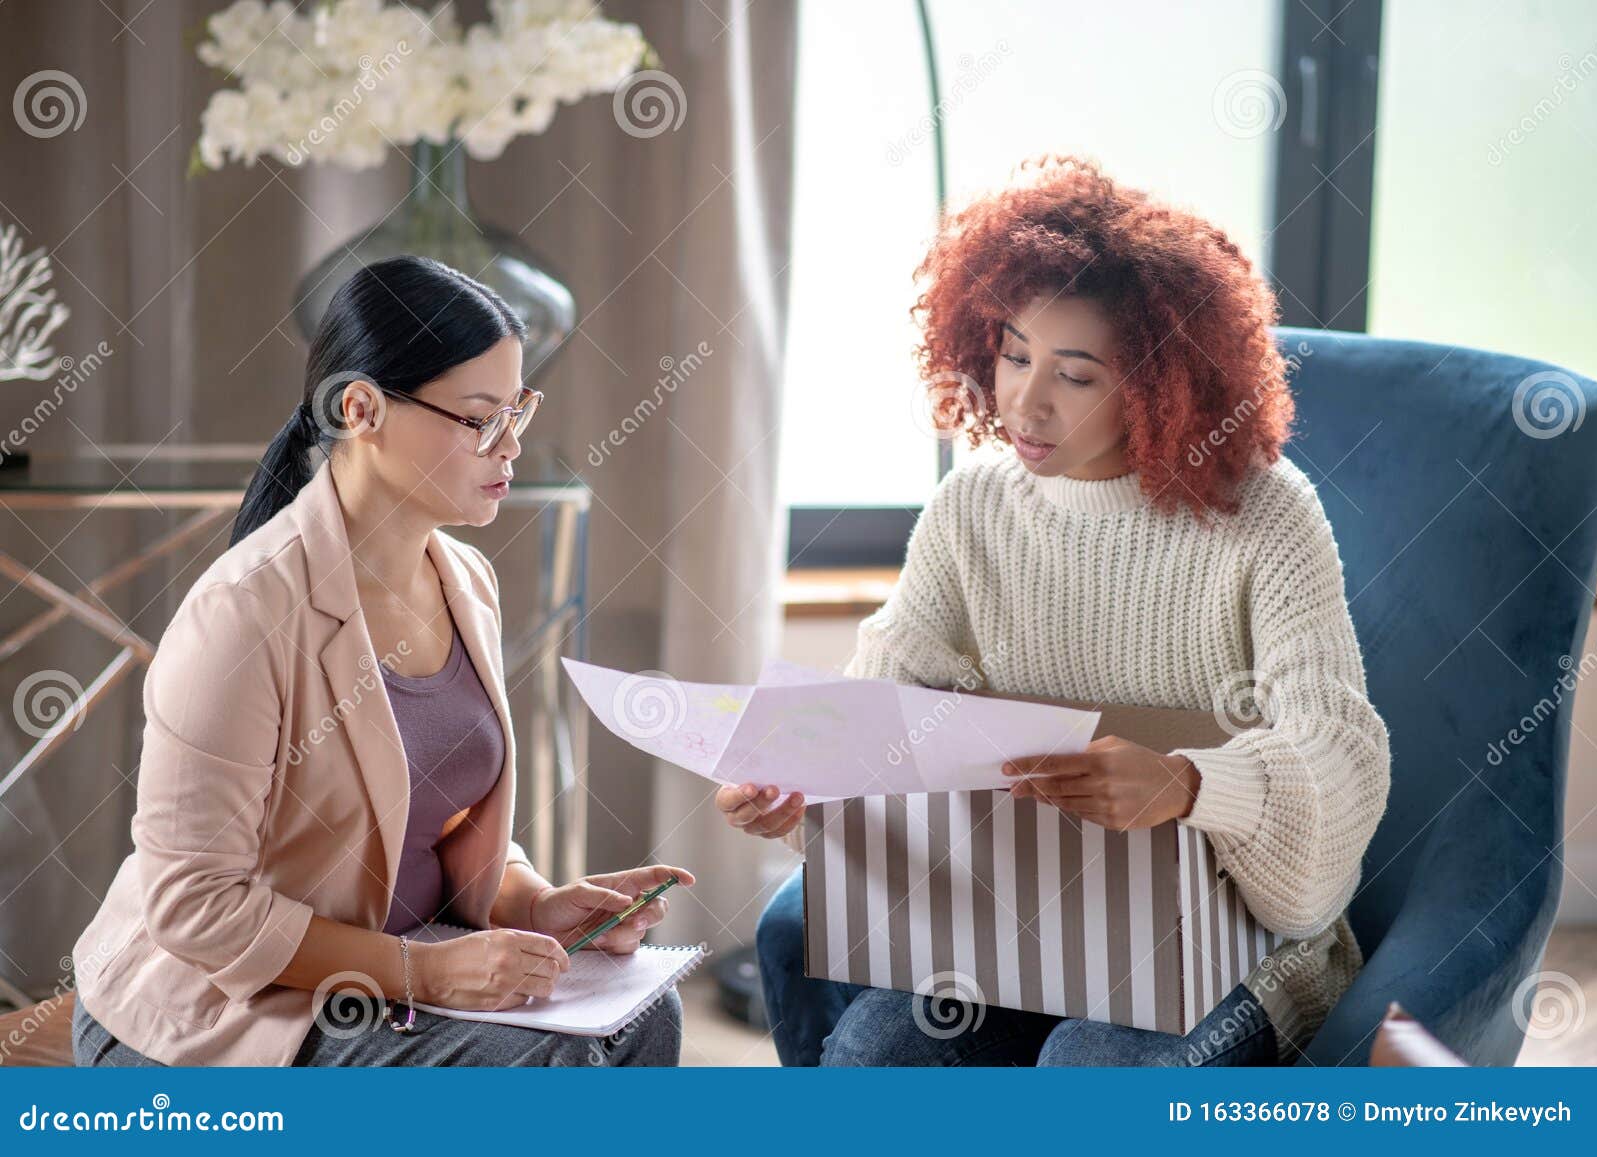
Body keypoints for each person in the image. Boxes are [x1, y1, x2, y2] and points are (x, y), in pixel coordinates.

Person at [719, 154, 1391, 1067]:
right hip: (1009, 933)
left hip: (1221, 944)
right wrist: (804, 786)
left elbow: (1339, 752)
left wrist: (1188, 783)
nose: (1025, 402)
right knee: (876, 1051)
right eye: (1013, 354)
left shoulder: (1264, 514)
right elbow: (887, 706)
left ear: (1162, 384)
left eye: (1075, 376)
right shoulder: (974, 505)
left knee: (1091, 1062)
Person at [71, 256, 694, 1067]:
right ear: (360, 408)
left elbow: (426, 821)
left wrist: (534, 904)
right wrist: (425, 971)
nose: (509, 445)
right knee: (549, 1067)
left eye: (518, 410)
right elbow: (196, 907)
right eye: (479, 419)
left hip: (387, 959)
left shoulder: (465, 579)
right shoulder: (244, 614)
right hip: (226, 1005)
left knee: (647, 1015)